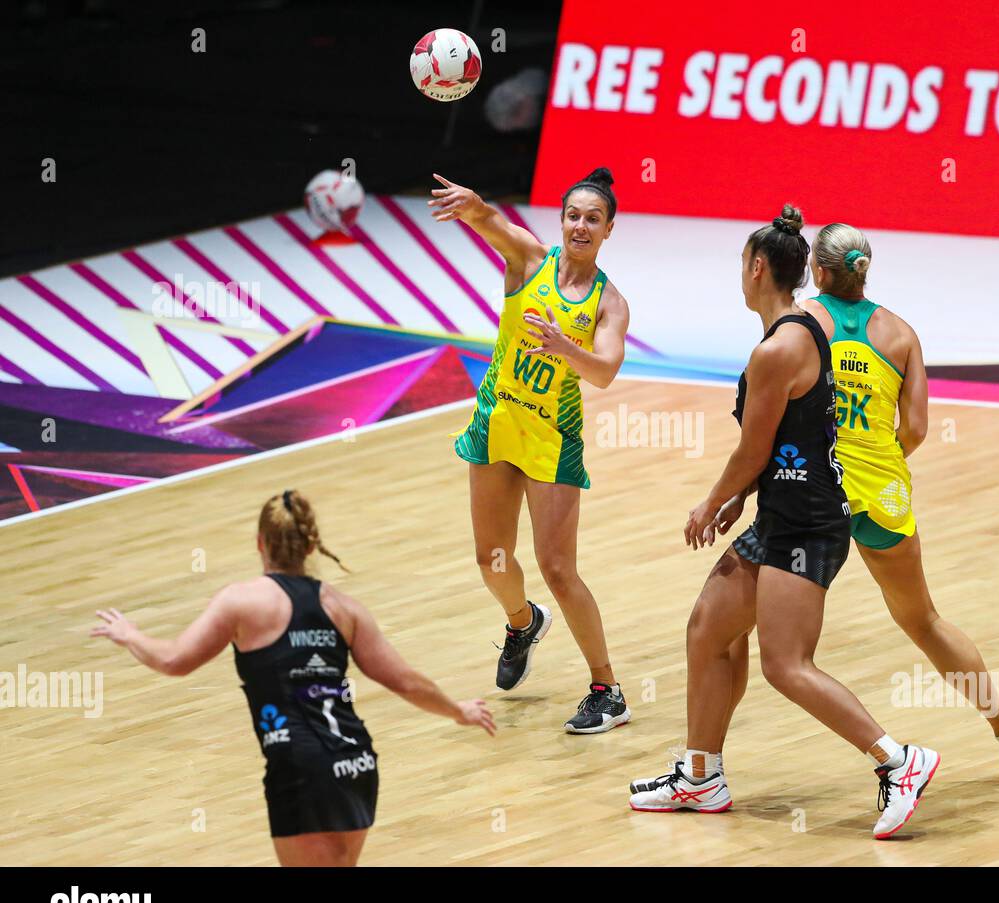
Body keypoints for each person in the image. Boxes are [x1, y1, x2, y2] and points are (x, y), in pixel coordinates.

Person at [628, 206, 940, 839]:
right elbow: (775, 440)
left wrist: (712, 499)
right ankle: (701, 775)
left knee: (786, 664)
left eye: (742, 265)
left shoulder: (781, 346)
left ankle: (898, 762)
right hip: (784, 508)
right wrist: (745, 497)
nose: (739, 275)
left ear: (758, 266)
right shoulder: (796, 332)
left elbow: (752, 447)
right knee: (708, 628)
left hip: (807, 522)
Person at [91, 490, 495, 866]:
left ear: (260, 543)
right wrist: (456, 710)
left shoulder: (242, 601)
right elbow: (406, 681)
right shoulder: (343, 608)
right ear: (309, 546)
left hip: (301, 767)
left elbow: (175, 661)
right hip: (356, 762)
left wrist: (129, 635)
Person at [797, 222, 999, 777]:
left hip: (818, 487)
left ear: (817, 271)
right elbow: (915, 430)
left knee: (766, 633)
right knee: (924, 620)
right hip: (884, 487)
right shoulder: (902, 334)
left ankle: (704, 764)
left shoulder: (804, 321)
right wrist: (880, 462)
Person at [430, 167, 632, 734]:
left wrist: (567, 347)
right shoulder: (529, 260)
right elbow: (489, 221)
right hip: (498, 424)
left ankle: (608, 690)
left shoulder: (609, 303)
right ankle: (523, 622)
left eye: (594, 219)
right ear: (562, 220)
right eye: (573, 215)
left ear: (609, 229)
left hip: (552, 438)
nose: (581, 226)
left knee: (558, 567)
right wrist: (471, 202)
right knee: (491, 561)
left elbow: (607, 372)